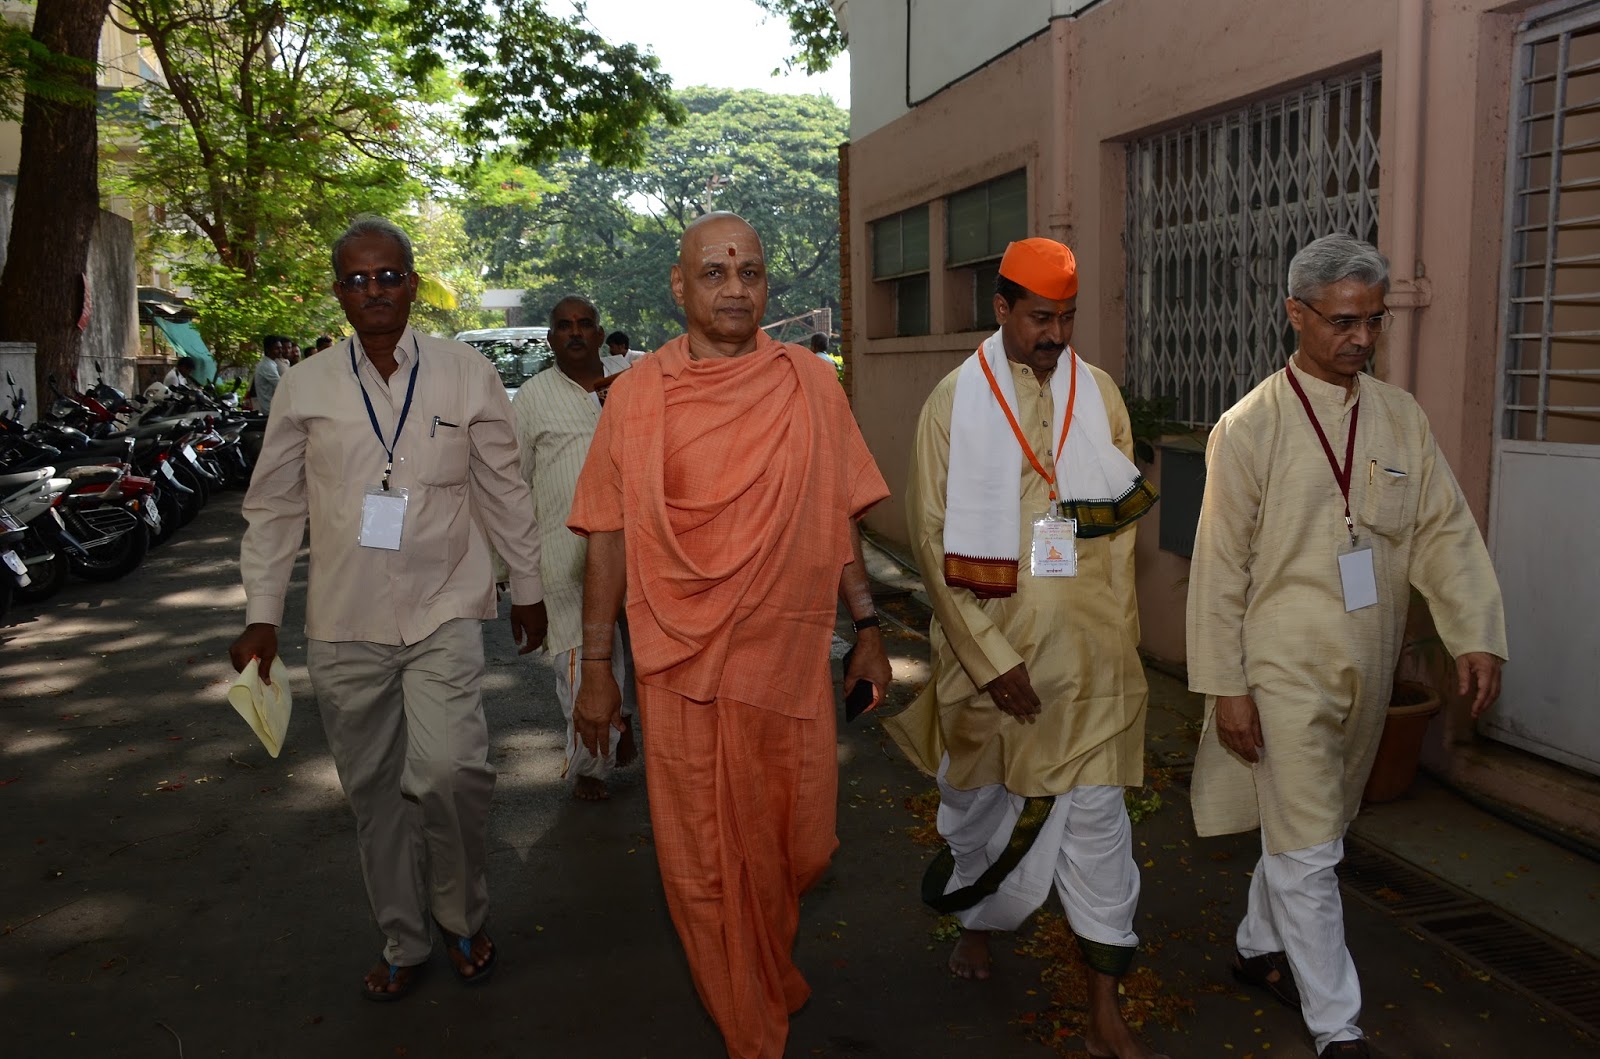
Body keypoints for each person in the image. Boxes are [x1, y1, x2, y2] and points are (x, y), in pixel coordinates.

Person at [566, 211, 891, 1059]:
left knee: (800, 848)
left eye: (750, 271)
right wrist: (596, 667)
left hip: (787, 663)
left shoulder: (810, 384)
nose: (736, 287)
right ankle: (751, 1030)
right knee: (707, 865)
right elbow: (607, 534)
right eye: (715, 272)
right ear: (681, 286)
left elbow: (835, 520)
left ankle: (763, 967)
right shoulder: (636, 399)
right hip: (679, 670)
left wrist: (867, 625)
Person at [1185, 234, 1507, 1059]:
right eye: (1341, 322)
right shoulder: (1249, 426)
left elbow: (1442, 530)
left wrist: (1473, 631)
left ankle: (1260, 949)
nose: (1361, 339)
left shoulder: (1399, 416)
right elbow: (1219, 568)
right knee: (1311, 846)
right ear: (1296, 315)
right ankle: (1339, 1026)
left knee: (1308, 824)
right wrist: (1227, 685)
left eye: (1374, 320)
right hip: (1281, 666)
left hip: (1368, 662)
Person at [230, 215, 548, 1003]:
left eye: (389, 275)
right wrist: (261, 611)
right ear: (338, 292)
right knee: (374, 790)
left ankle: (462, 913)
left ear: (412, 282)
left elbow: (505, 488)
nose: (374, 290)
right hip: (344, 620)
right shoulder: (305, 386)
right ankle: (405, 937)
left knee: (450, 772)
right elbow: (272, 507)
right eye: (357, 279)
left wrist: (530, 586)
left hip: (443, 606)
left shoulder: (466, 373)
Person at [884, 237, 1166, 1059]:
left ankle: (1104, 1002)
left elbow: (1116, 542)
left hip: (1088, 664)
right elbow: (934, 544)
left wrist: (1117, 650)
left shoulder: (1099, 393)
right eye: (1040, 315)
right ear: (1002, 308)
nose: (1055, 332)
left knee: (1100, 831)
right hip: (994, 661)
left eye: (1067, 317)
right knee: (978, 810)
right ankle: (977, 921)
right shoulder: (952, 403)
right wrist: (989, 660)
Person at [508, 294, 635, 801]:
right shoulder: (532, 399)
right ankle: (591, 765)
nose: (576, 333)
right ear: (551, 338)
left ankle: (620, 721)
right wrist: (514, 576)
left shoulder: (630, 386)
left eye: (586, 324)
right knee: (581, 660)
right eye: (564, 326)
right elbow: (512, 487)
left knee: (649, 658)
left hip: (642, 547)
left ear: (601, 335)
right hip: (564, 554)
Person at [253, 336, 286, 415]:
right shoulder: (267, 366)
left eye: (281, 348)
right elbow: (282, 385)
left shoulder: (270, 363)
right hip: (271, 411)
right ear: (268, 349)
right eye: (277, 348)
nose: (280, 351)